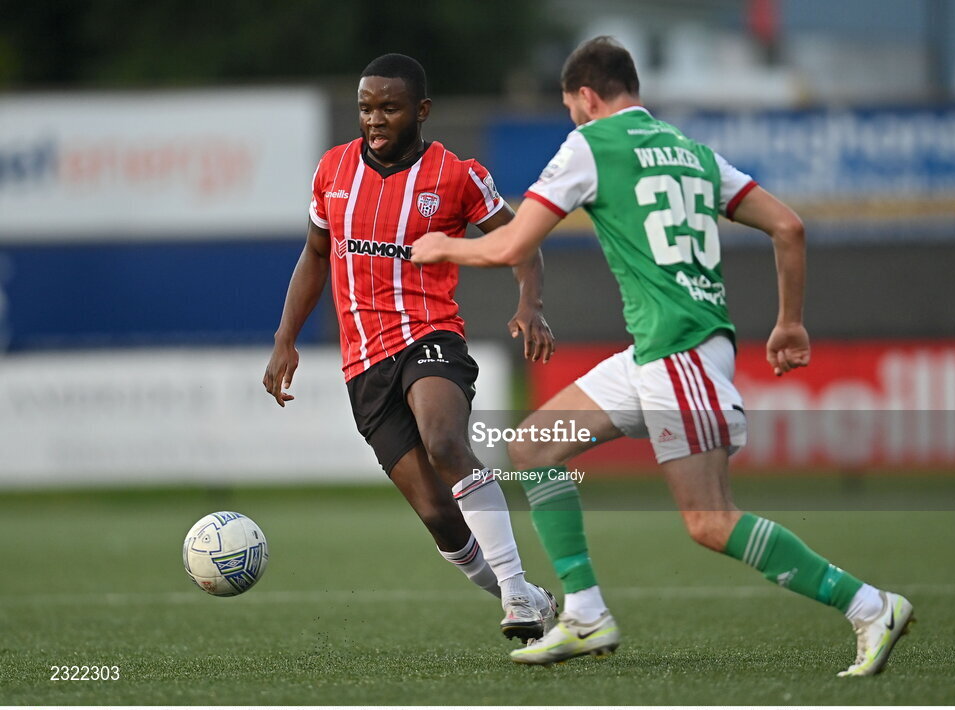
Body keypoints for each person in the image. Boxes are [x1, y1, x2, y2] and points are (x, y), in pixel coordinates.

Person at [411, 37, 914, 674]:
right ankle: (585, 614)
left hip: (681, 356)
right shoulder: (692, 151)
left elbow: (510, 245)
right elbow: (788, 226)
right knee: (535, 444)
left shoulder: (591, 145)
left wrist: (445, 248)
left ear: (587, 96)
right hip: (657, 353)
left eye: (573, 108)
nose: (574, 120)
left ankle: (870, 606)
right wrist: (788, 322)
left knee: (710, 522)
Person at [263, 53, 556, 642]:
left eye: (389, 107)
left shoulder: (455, 174)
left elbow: (521, 240)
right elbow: (317, 254)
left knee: (445, 440)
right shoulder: (333, 171)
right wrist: (285, 337)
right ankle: (525, 597)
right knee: (440, 518)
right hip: (363, 362)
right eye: (366, 107)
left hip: (430, 336)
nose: (374, 119)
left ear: (421, 111)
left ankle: (519, 597)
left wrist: (532, 305)